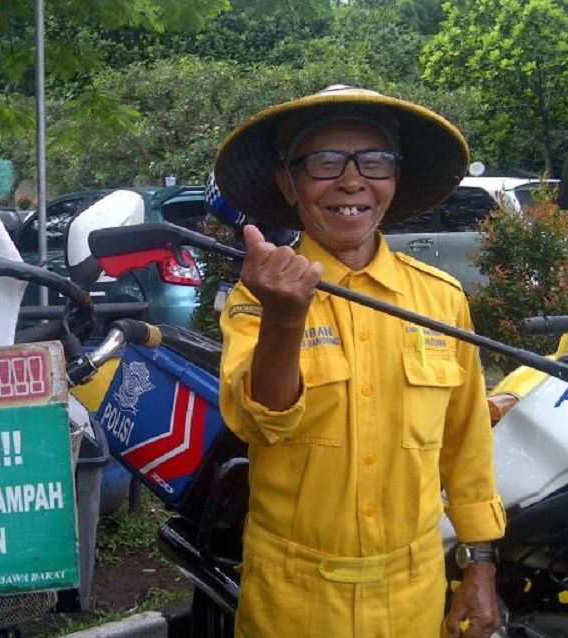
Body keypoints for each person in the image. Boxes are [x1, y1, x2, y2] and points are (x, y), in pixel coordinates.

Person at [213, 85, 506, 637]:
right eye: (325, 162)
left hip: (414, 593)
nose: (352, 181)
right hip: (294, 599)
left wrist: (480, 566)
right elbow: (256, 422)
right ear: (288, 183)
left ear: (394, 178)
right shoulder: (258, 296)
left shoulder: (440, 300)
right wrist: (285, 317)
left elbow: (467, 444)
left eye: (374, 161)